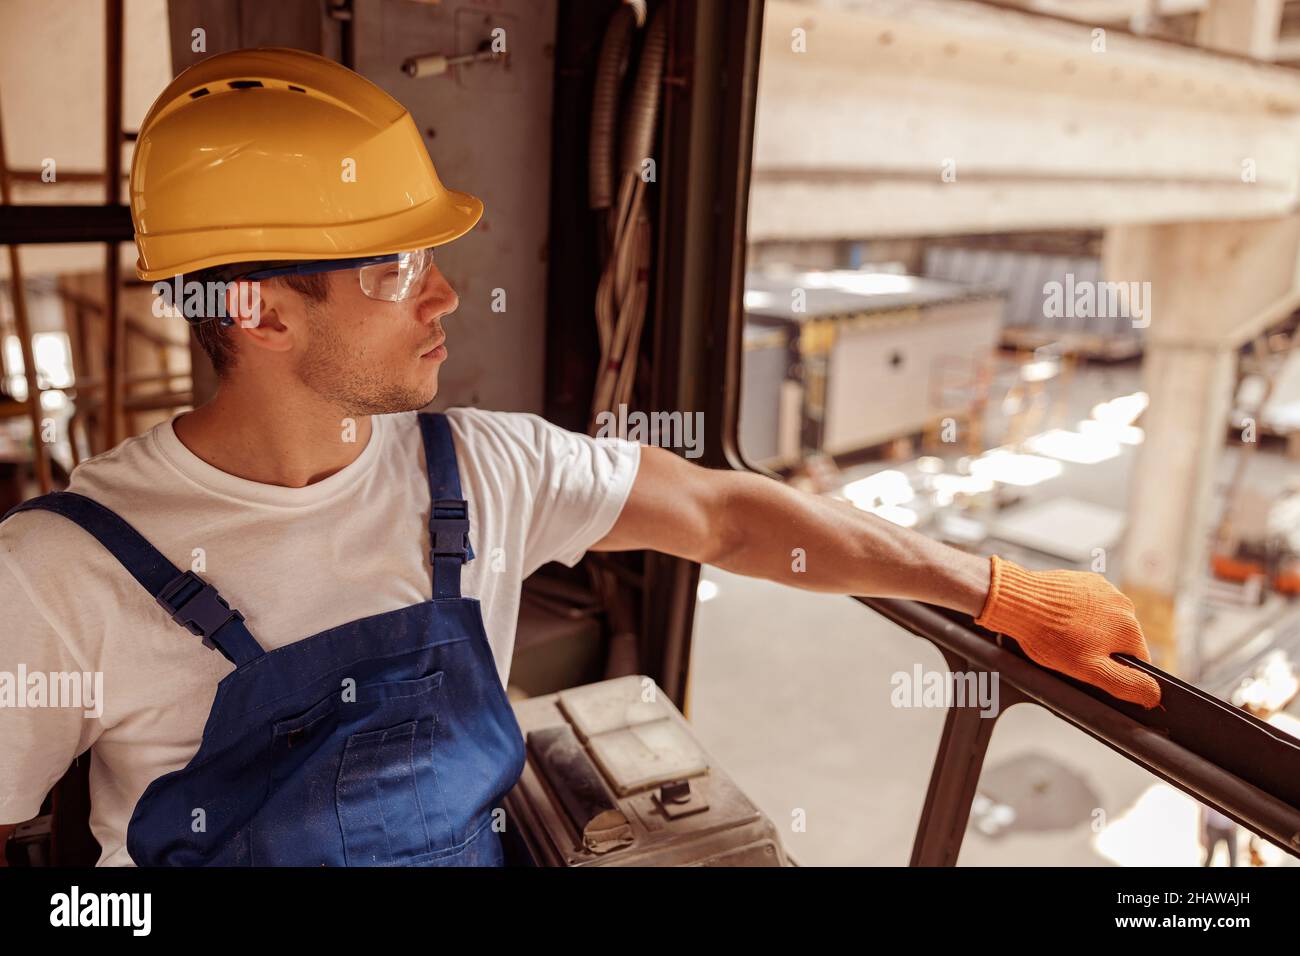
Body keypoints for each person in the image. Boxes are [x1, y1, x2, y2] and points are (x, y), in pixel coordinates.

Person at [0, 48, 1162, 867]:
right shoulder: (58, 576)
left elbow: (725, 518)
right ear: (256, 308)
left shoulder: (480, 470)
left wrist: (993, 586)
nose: (446, 293)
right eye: (399, 268)